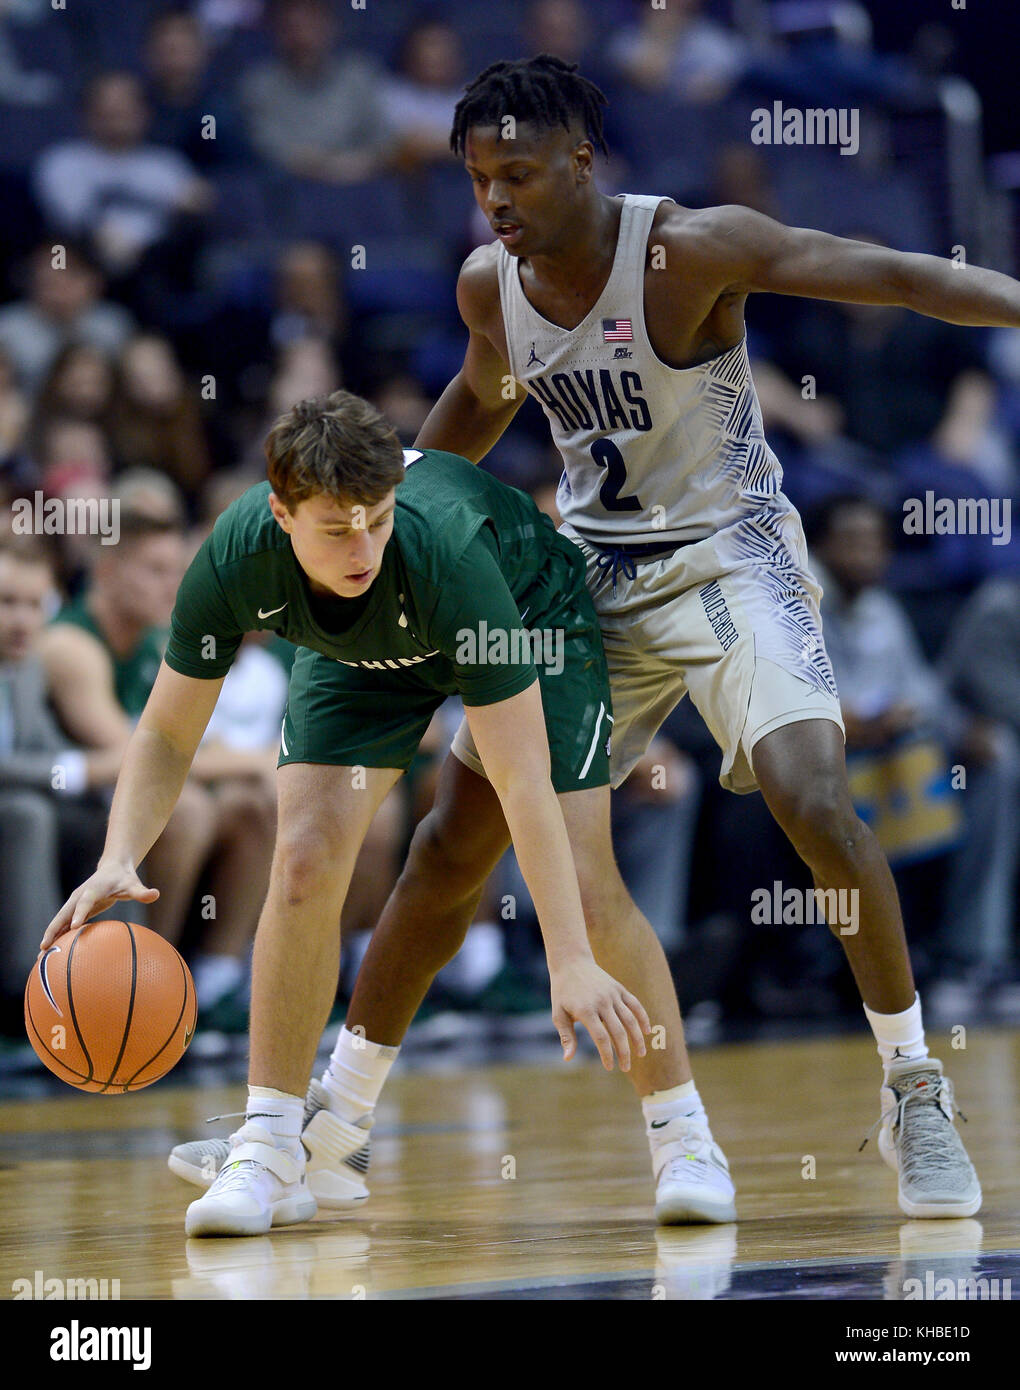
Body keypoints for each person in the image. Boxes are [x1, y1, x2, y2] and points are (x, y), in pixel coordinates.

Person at [315, 55, 1009, 1221]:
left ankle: (914, 1091)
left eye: (520, 175)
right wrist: (384, 518)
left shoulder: (688, 250)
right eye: (480, 179)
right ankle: (333, 1126)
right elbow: (480, 406)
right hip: (587, 577)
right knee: (450, 841)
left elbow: (893, 274)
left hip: (730, 553)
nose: (496, 200)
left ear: (584, 161)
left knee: (814, 797)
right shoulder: (494, 285)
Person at [42, 389, 664, 1239]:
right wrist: (121, 855)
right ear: (281, 514)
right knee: (301, 859)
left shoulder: (439, 550)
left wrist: (566, 959)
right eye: (337, 527)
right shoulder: (235, 557)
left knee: (557, 864)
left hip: (522, 616)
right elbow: (163, 732)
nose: (362, 544)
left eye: (376, 519)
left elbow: (524, 782)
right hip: (362, 652)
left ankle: (682, 1134)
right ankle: (271, 1149)